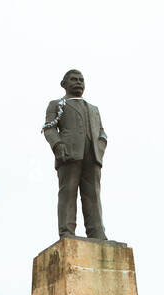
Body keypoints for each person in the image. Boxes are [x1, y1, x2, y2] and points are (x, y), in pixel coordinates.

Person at [42, 69, 109, 240]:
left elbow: (102, 133)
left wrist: (100, 148)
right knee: (68, 193)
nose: (78, 82)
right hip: (69, 154)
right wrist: (58, 145)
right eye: (73, 79)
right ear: (64, 84)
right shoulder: (56, 104)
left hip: (92, 155)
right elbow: (49, 128)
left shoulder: (94, 109)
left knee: (93, 194)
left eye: (81, 79)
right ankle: (67, 232)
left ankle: (97, 232)